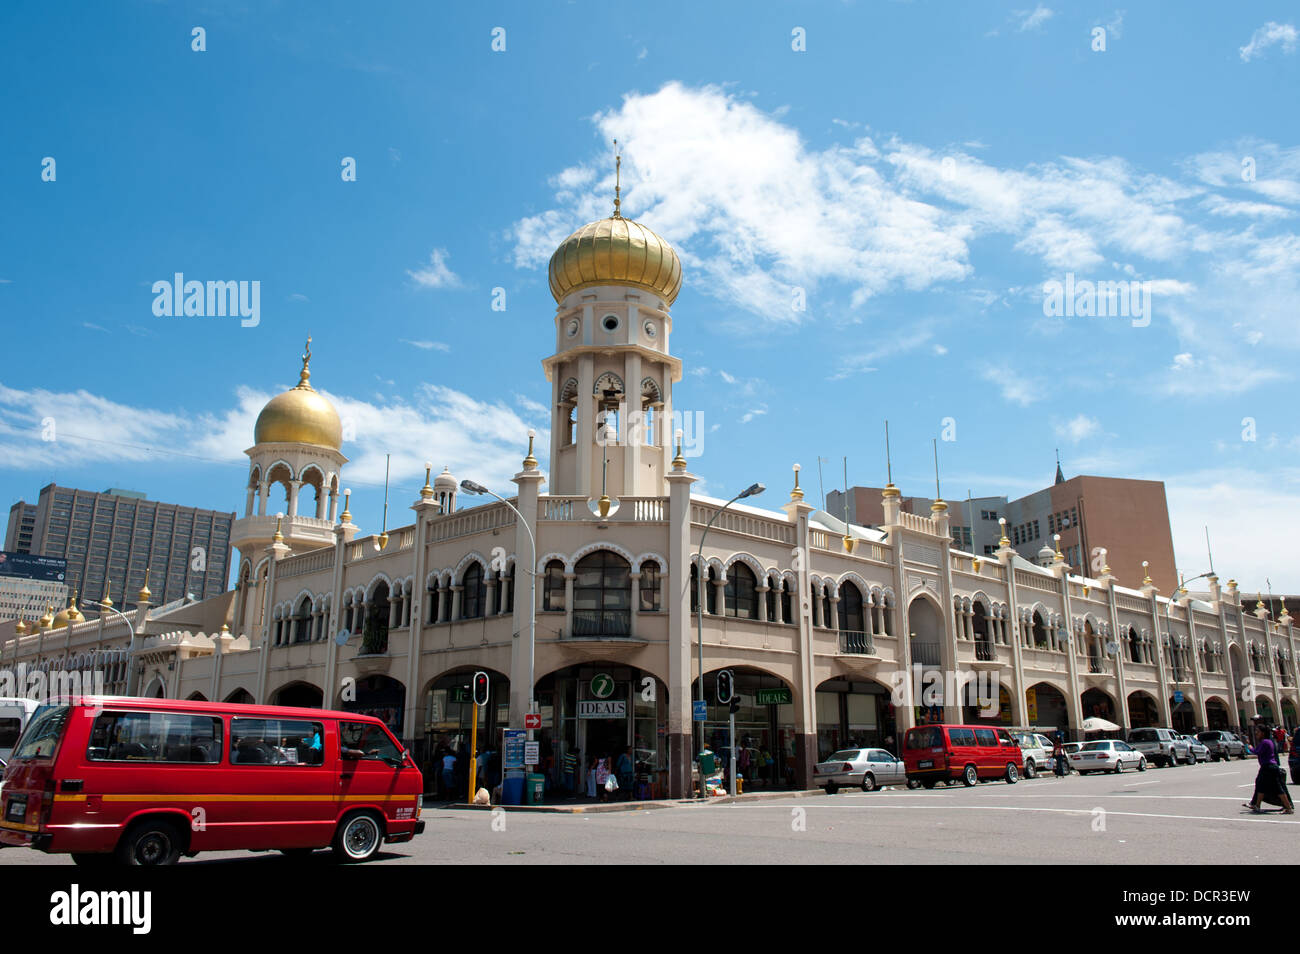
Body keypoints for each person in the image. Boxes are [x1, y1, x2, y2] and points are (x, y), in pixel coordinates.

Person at [1243, 724, 1294, 814]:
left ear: (1263, 733)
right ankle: (1256, 805)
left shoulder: (1265, 742)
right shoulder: (1268, 741)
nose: (1256, 733)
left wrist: (1249, 747)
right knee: (1260, 784)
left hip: (1268, 767)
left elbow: (1257, 752)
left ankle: (1288, 807)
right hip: (1268, 766)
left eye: (1258, 731)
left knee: (1277, 788)